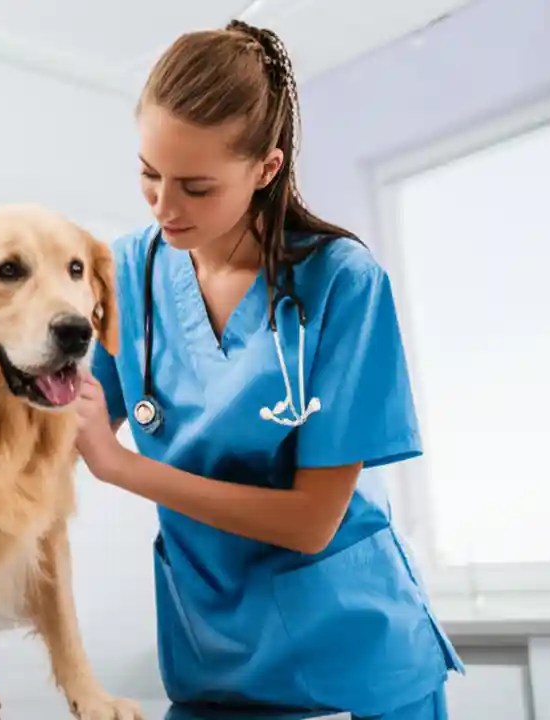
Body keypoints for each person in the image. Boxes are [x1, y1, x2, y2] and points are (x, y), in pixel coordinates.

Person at [72, 18, 464, 720]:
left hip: (355, 662)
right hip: (216, 664)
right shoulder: (127, 272)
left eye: (196, 187)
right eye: (148, 174)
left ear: (266, 169)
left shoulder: (342, 284)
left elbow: (314, 521)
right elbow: (54, 427)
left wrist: (124, 467)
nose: (165, 207)